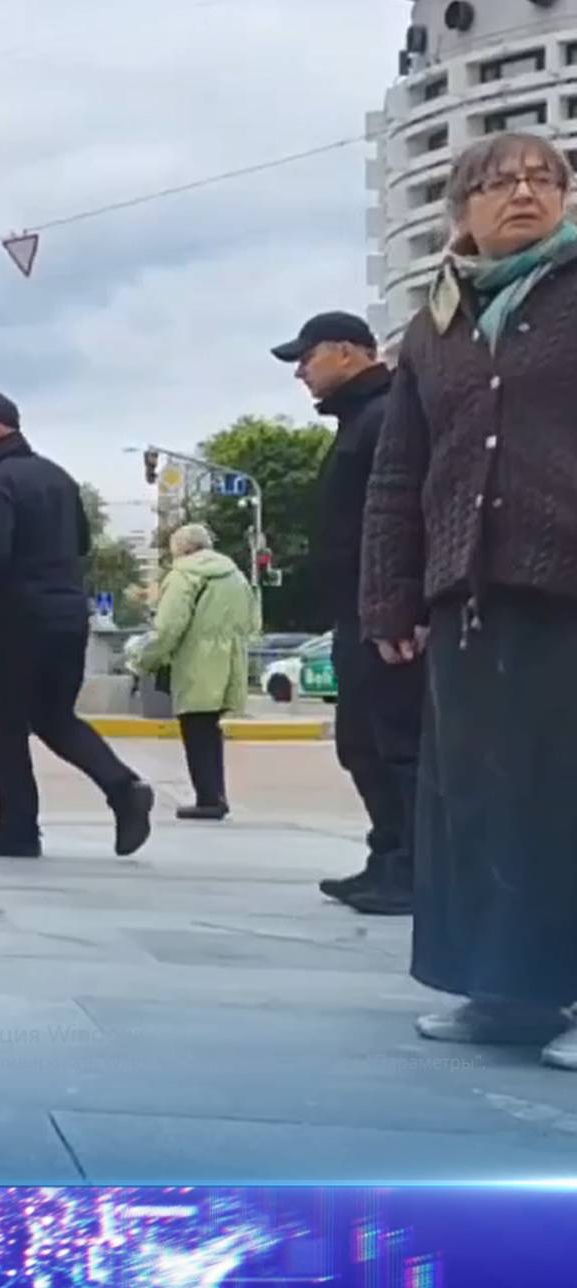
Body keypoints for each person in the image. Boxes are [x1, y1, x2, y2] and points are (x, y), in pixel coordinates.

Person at [360, 131, 577, 1067]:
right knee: (483, 799)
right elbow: (398, 468)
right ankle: (505, 992)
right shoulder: (433, 326)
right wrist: (389, 595)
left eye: (543, 179)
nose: (523, 192)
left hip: (566, 579)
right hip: (467, 589)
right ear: (462, 214)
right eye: (498, 183)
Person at [0, 393, 154, 859]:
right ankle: (123, 788)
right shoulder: (58, 477)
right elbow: (82, 543)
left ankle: (17, 829)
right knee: (53, 716)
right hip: (67, 617)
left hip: (16, 621)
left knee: (4, 727)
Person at [274, 310, 416, 914]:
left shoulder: (387, 415)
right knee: (361, 742)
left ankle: (412, 870)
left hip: (382, 611)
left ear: (348, 352)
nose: (300, 372)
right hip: (357, 609)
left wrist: (401, 605)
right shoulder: (361, 419)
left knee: (394, 744)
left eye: (307, 357)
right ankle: (387, 858)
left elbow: (403, 516)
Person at [130, 523, 254, 822]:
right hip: (230, 661)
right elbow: (253, 621)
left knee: (196, 729)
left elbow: (168, 628)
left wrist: (142, 660)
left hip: (196, 662)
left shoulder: (183, 576)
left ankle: (208, 799)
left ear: (180, 549)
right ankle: (215, 795)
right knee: (210, 729)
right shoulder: (236, 575)